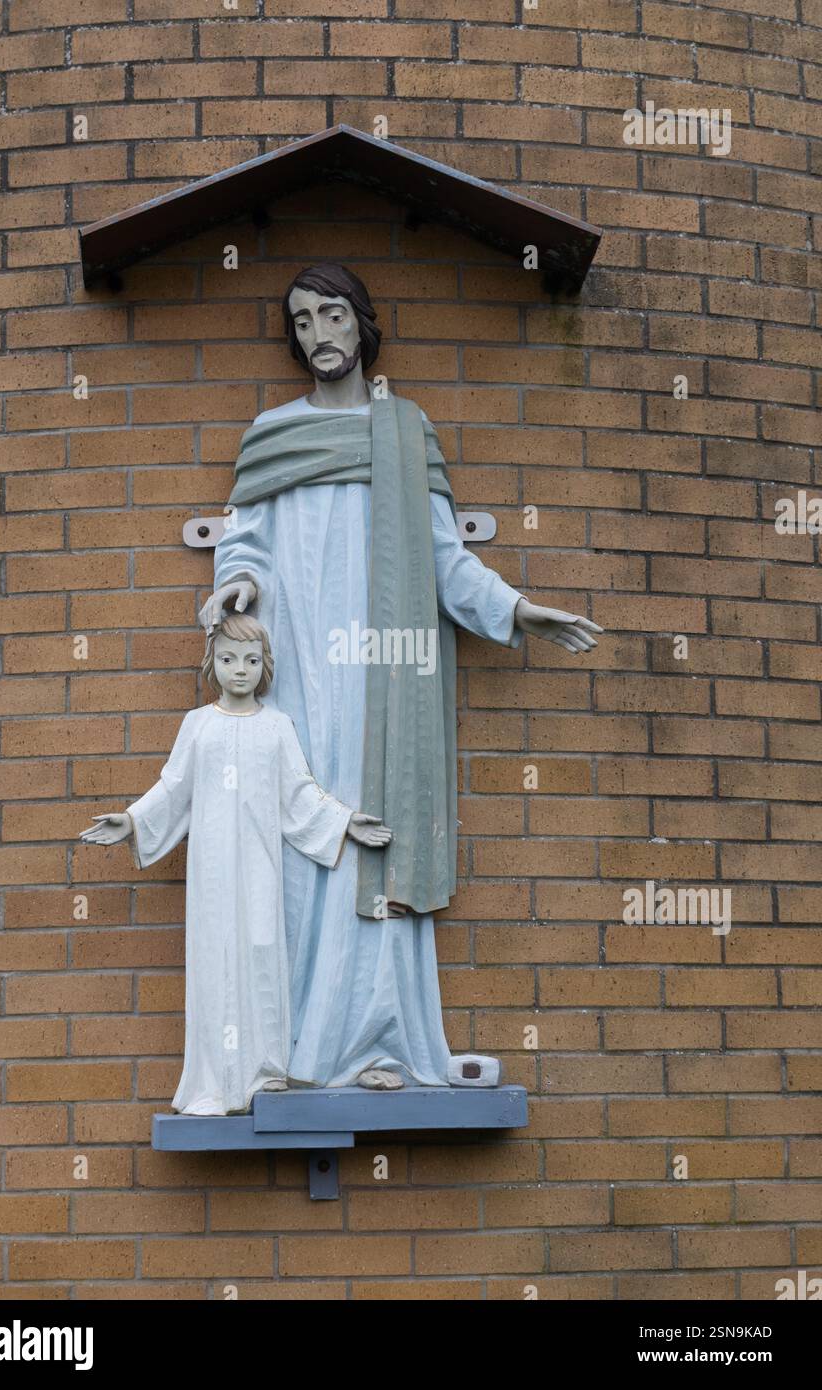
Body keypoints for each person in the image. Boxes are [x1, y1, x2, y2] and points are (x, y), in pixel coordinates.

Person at [199, 263, 603, 1092]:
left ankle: (380, 1043)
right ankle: (298, 1051)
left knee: (377, 830)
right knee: (307, 837)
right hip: (302, 674)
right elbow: (244, 544)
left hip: (387, 674)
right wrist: (235, 584)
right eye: (303, 319)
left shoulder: (405, 431)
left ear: (363, 323)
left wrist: (519, 611)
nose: (319, 333)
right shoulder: (271, 435)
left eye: (333, 314)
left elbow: (444, 559)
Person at [77, 612, 391, 1116]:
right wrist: (133, 821)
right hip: (212, 872)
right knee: (213, 963)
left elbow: (299, 795)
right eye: (227, 659)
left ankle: (264, 1074)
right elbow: (174, 788)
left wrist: (344, 821)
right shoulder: (197, 726)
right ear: (213, 663)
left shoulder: (277, 727)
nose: (238, 670)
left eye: (249, 660)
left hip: (260, 868)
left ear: (263, 666)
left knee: (262, 956)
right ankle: (212, 1083)